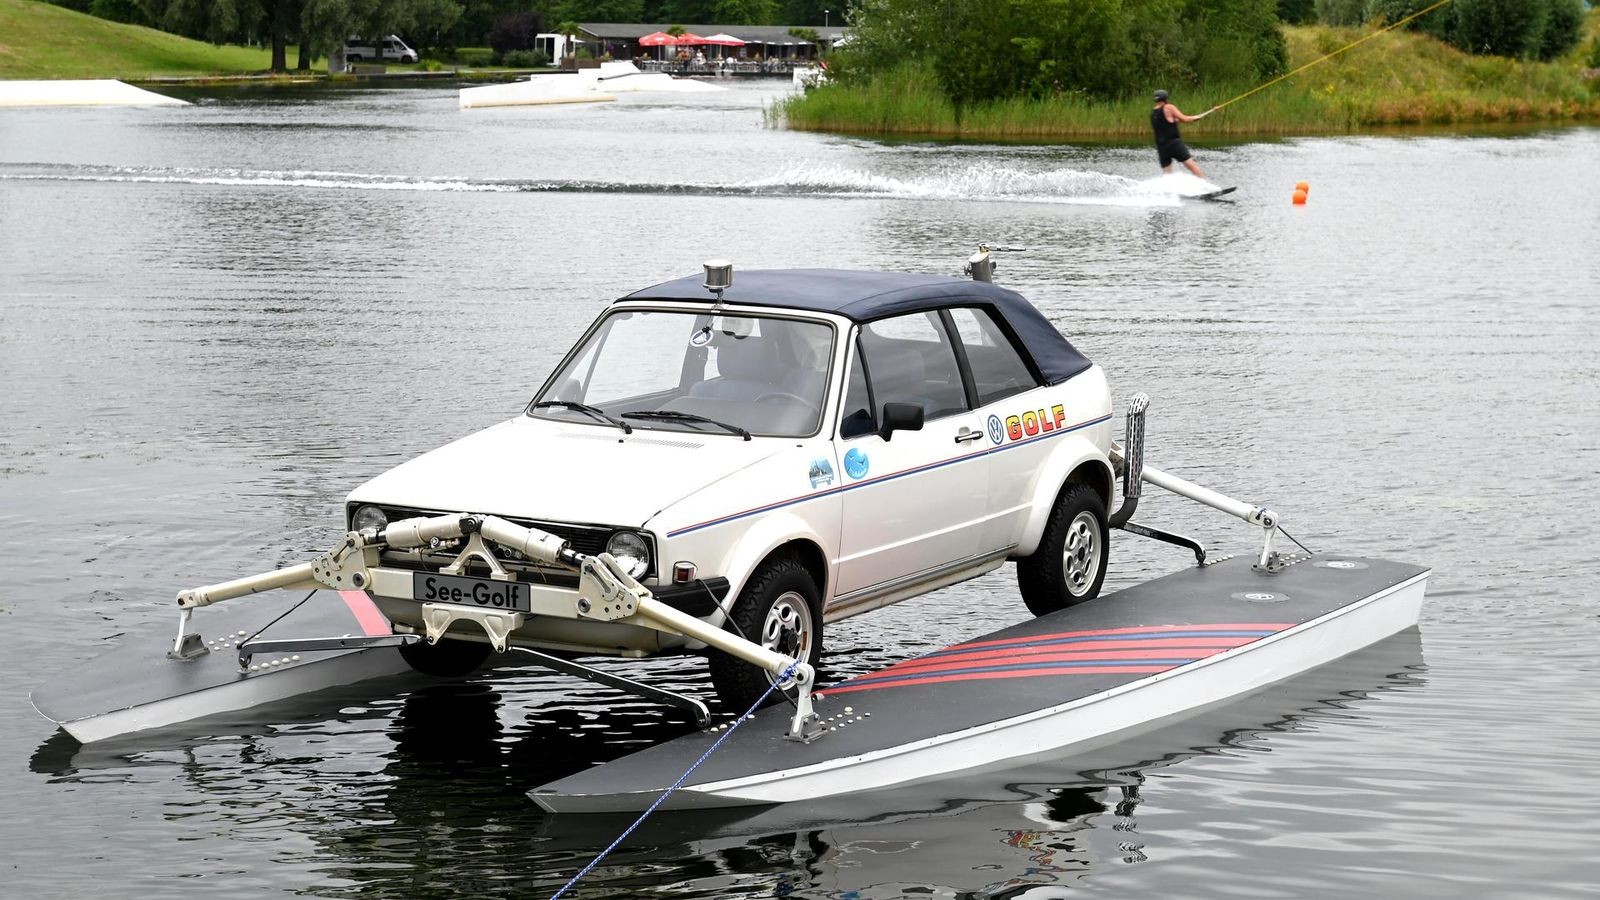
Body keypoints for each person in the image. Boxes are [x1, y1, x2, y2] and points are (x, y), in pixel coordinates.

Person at [1150, 89, 1219, 178]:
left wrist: (1211, 110)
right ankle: (1205, 186)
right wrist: (1197, 117)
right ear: (1165, 98)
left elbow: (1173, 120)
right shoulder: (1169, 107)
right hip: (1174, 144)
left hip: (1161, 147)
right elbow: (1185, 119)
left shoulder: (1153, 113)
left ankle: (1168, 191)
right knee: (1192, 166)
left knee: (1167, 174)